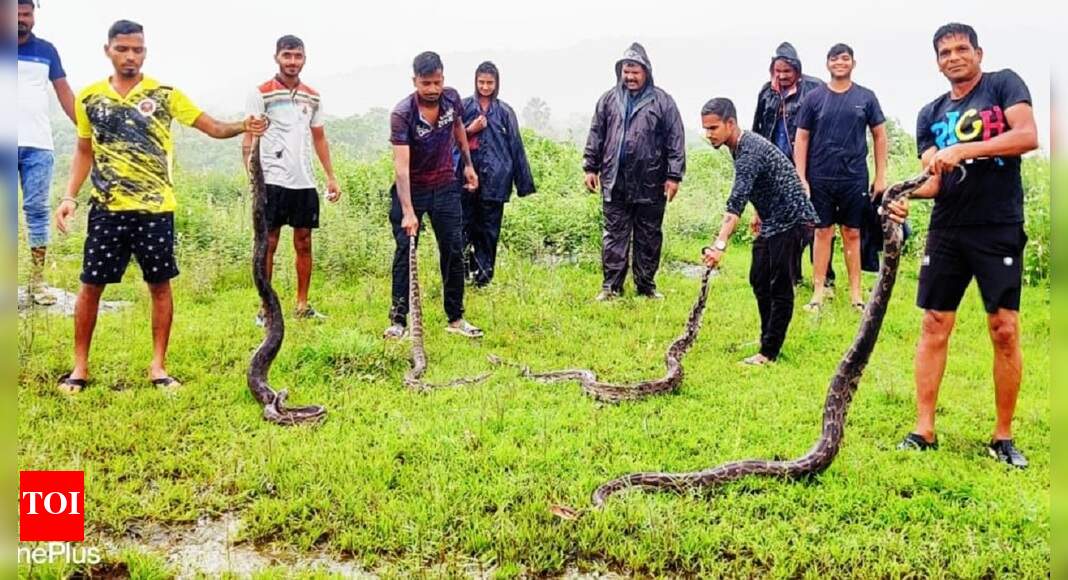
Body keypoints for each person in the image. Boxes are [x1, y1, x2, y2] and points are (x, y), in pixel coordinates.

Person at [52, 20, 267, 394]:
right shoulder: (88, 99)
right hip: (107, 209)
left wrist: (242, 125)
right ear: (108, 51)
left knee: (160, 286)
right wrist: (70, 196)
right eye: (122, 49)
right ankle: (80, 368)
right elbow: (84, 150)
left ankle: (158, 367)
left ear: (145, 52)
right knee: (91, 286)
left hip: (155, 209)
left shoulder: (165, 94)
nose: (130, 56)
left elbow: (212, 127)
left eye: (137, 49)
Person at [896, 23, 1038, 468]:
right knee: (935, 322)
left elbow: (1027, 136)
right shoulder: (929, 113)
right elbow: (935, 182)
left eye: (961, 49)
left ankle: (1002, 436)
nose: (953, 57)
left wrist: (964, 149)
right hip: (948, 229)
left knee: (1004, 328)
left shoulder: (1003, 84)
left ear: (978, 52)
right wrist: (900, 196)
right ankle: (923, 429)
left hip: (998, 225)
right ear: (937, 62)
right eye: (944, 52)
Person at [698, 98, 818, 366]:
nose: (709, 135)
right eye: (706, 129)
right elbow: (764, 180)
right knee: (759, 277)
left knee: (780, 284)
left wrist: (719, 246)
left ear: (731, 123)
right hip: (771, 219)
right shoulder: (738, 146)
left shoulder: (749, 150)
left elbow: (736, 200)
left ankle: (769, 352)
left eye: (714, 128)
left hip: (793, 219)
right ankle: (767, 338)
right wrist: (759, 213)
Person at [383, 51, 483, 339]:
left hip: (445, 186)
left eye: (436, 82)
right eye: (425, 83)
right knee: (405, 250)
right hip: (411, 189)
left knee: (453, 249)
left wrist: (467, 166)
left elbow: (458, 130)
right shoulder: (402, 114)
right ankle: (399, 321)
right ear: (415, 81)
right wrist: (409, 211)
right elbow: (401, 168)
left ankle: (455, 318)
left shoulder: (452, 99)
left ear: (443, 78)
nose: (432, 89)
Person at [244, 35, 341, 326]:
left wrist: (331, 177)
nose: (292, 62)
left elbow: (319, 137)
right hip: (271, 179)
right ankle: (266, 308)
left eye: (298, 56)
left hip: (304, 180)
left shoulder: (312, 96)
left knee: (304, 242)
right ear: (276, 57)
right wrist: (251, 174)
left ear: (305, 59)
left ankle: (302, 304)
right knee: (268, 242)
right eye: (287, 55)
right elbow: (249, 136)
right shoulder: (261, 92)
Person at [583, 42, 686, 301]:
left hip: (651, 182)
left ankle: (646, 286)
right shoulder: (608, 99)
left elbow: (676, 139)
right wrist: (590, 166)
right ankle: (610, 288)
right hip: (614, 180)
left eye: (635, 72)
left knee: (649, 236)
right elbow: (596, 133)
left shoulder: (663, 101)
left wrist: (674, 176)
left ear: (646, 72)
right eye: (626, 71)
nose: (629, 77)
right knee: (614, 236)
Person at [795, 43, 888, 312]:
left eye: (845, 58)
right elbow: (801, 137)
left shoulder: (866, 97)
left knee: (852, 232)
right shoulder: (814, 98)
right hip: (820, 176)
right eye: (835, 59)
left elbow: (880, 135)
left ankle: (857, 295)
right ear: (827, 64)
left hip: (854, 177)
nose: (840, 63)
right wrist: (801, 176)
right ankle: (818, 292)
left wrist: (881, 175)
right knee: (822, 232)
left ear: (853, 64)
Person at [751, 41, 834, 288]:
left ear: (797, 70)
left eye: (787, 71)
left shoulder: (815, 88)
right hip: (776, 165)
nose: (783, 76)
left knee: (813, 221)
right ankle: (791, 275)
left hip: (809, 165)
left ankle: (825, 277)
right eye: (778, 71)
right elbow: (758, 129)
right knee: (783, 221)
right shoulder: (767, 92)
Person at [17, 0, 75, 305]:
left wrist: (85, 128)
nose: (20, 20)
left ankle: (37, 283)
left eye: (26, 14)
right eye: (14, 15)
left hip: (38, 145)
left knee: (37, 212)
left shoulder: (47, 51)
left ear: (33, 16)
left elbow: (64, 93)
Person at [459, 61, 535, 287]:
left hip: (496, 179)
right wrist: (470, 129)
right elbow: (449, 140)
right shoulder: (464, 108)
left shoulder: (504, 112)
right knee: (464, 227)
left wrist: (524, 184)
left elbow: (516, 147)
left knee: (489, 230)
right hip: (465, 178)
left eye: (489, 83)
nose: (485, 87)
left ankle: (483, 278)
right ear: (475, 82)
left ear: (497, 83)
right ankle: (464, 274)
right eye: (481, 82)